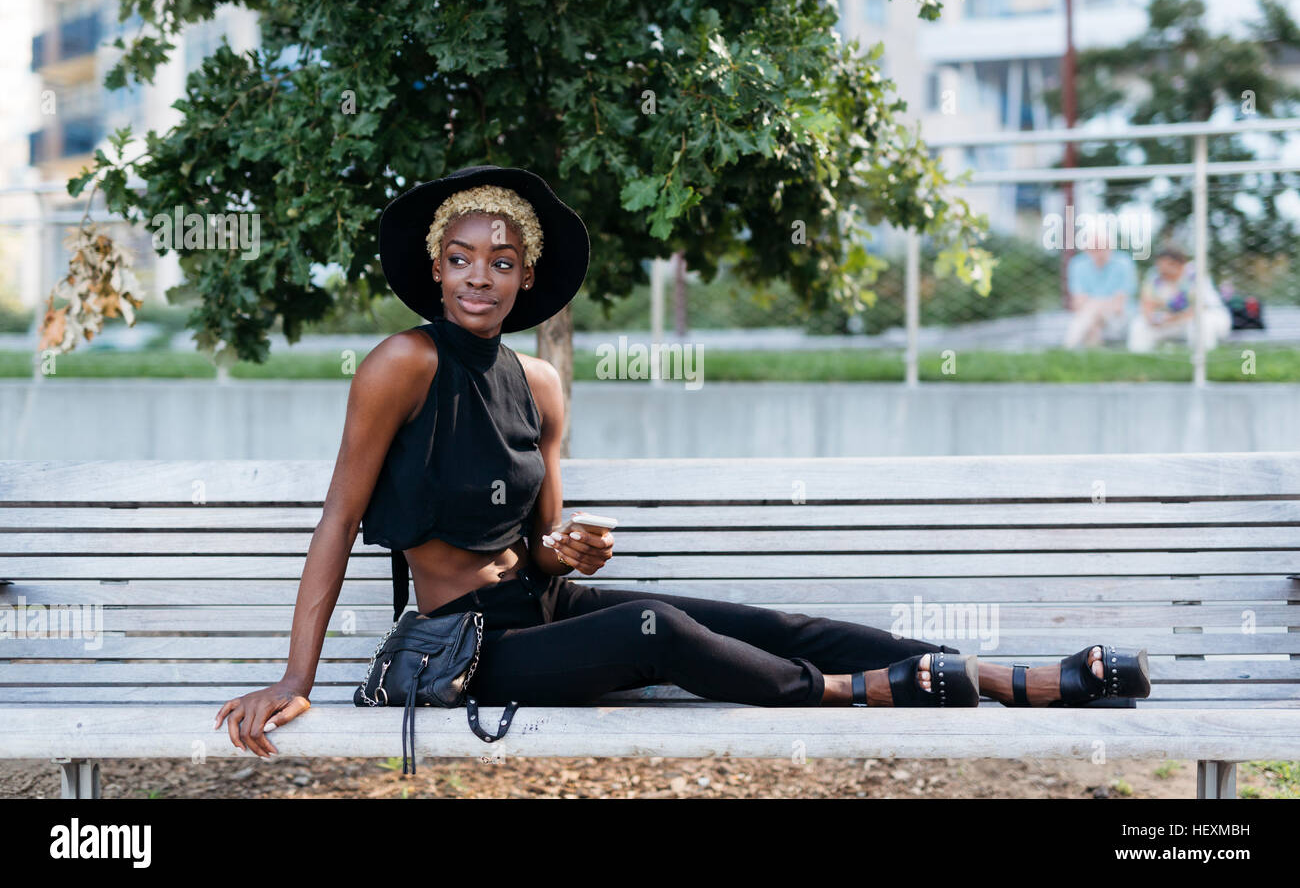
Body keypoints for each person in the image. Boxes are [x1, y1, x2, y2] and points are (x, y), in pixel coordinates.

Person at [215, 165, 1152, 758]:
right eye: (461, 259)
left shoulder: (539, 385)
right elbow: (338, 520)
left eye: (502, 262)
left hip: (542, 609)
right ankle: (847, 695)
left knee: (779, 618)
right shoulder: (400, 366)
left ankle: (1001, 677)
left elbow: (540, 547)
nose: (479, 277)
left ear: (527, 277)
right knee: (653, 632)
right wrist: (294, 679)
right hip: (472, 649)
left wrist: (567, 552)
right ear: (435, 266)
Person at [1127, 244, 1232, 353]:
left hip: (1207, 316)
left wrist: (1173, 318)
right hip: (1171, 321)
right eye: (1160, 267)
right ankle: (1138, 359)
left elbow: (1199, 308)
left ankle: (1203, 358)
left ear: (1180, 265)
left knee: (1200, 322)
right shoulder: (1155, 275)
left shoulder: (1194, 274)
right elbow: (1146, 303)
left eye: (1167, 269)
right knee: (1139, 324)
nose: (1162, 273)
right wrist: (1152, 320)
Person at [1063, 234, 1138, 348]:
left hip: (1118, 314)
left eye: (1101, 248)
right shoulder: (1078, 264)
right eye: (1093, 248)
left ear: (1110, 248)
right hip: (1088, 313)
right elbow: (1078, 301)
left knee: (1090, 313)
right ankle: (1091, 351)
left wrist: (1097, 306)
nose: (1097, 252)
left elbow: (1120, 302)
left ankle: (1069, 346)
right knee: (1091, 318)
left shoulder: (1124, 262)